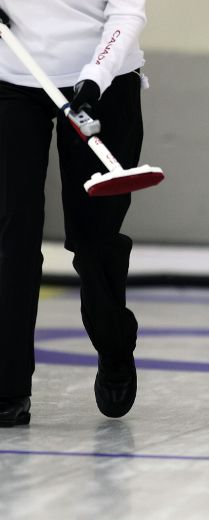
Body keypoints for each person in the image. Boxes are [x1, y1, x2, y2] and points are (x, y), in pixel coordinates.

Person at [0, 1, 149, 426]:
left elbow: (128, 14)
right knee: (13, 234)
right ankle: (7, 387)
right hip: (11, 77)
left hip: (105, 81)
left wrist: (94, 80)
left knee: (94, 237)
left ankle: (115, 344)